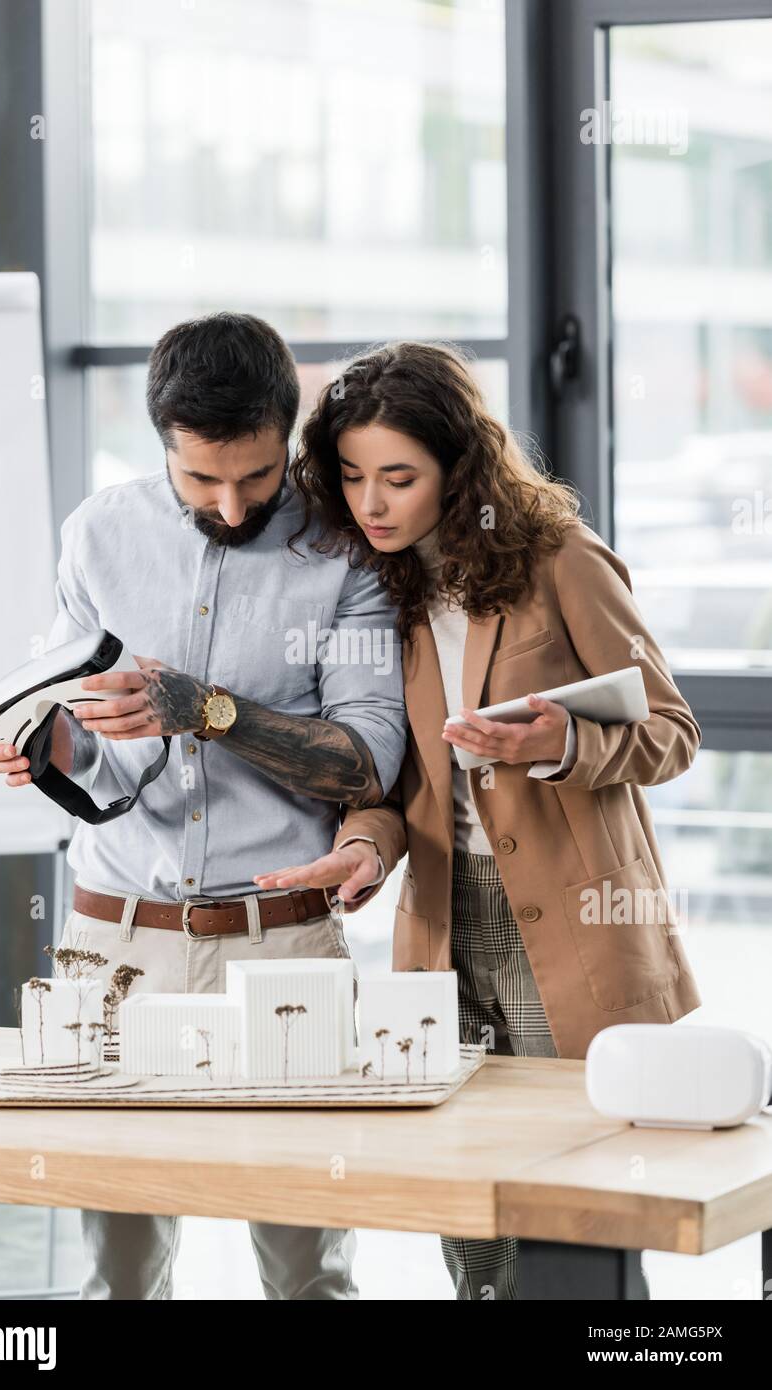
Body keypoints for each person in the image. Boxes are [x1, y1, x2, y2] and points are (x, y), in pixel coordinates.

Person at [254, 340, 703, 1300]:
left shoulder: (560, 562)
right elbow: (382, 782)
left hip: (575, 926)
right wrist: (362, 849)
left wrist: (557, 744)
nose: (371, 503)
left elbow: (670, 732)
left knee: (576, 1205)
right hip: (440, 929)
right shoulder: (376, 590)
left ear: (458, 471)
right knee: (466, 1218)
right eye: (351, 476)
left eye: (398, 478)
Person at [0, 312, 407, 1300]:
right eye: (198, 477)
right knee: (116, 1265)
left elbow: (369, 758)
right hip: (114, 935)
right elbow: (79, 714)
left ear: (287, 437)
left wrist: (207, 711)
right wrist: (46, 745)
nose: (225, 503)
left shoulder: (346, 554)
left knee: (310, 1268)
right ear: (160, 440)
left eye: (254, 480)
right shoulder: (99, 532)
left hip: (283, 943)